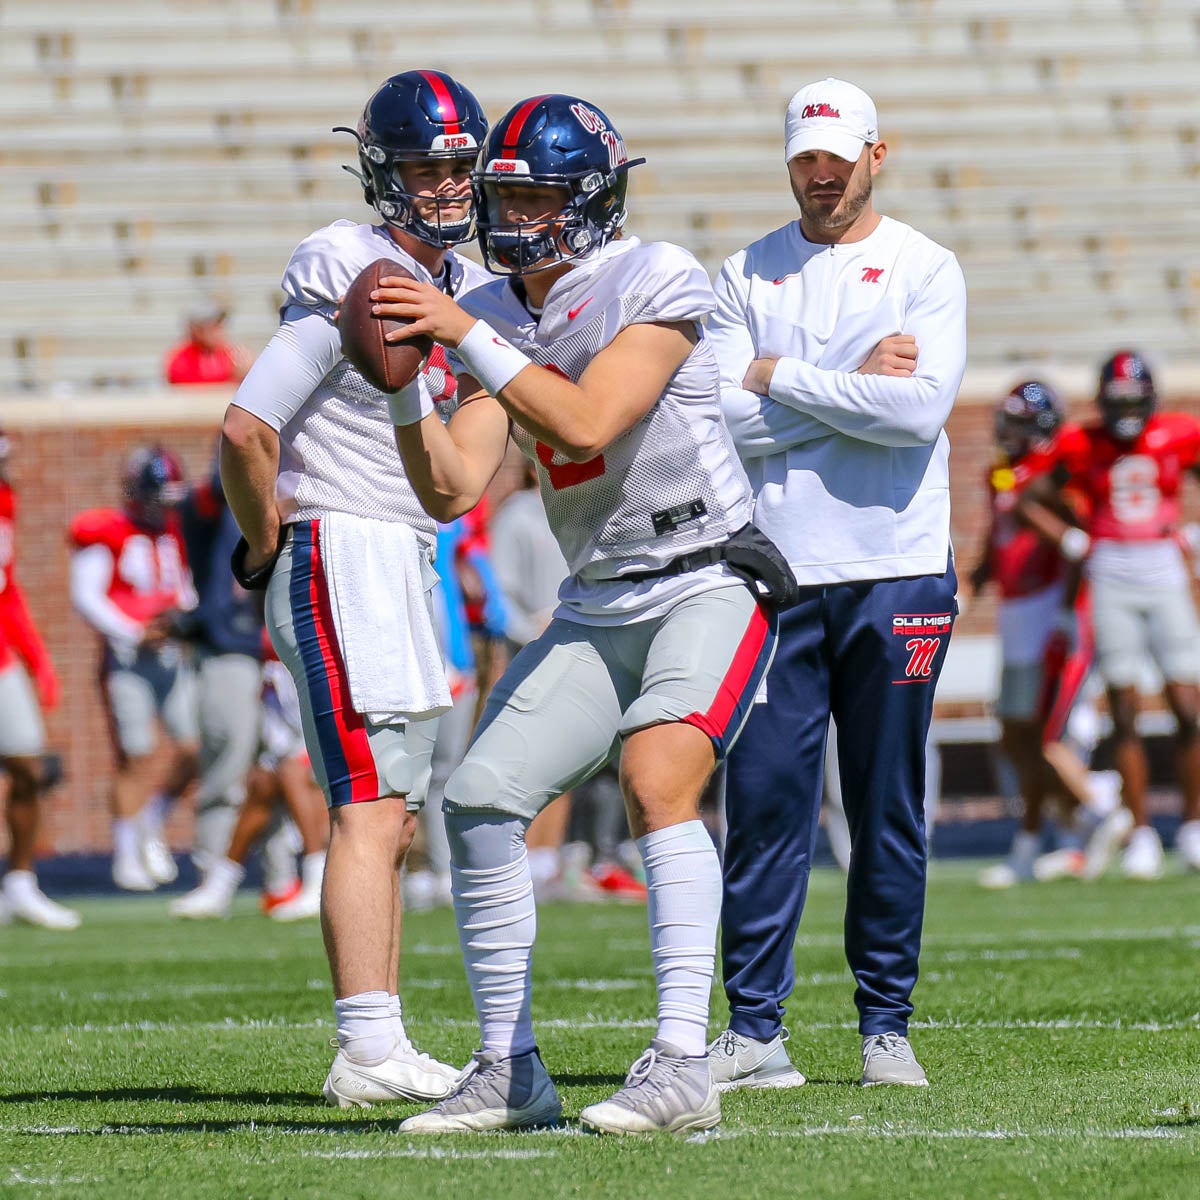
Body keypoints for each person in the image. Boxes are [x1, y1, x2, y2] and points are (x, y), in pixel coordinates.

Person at [372, 92, 785, 1136]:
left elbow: (592, 414)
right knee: (478, 800)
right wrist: (402, 392)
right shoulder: (500, 311)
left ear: (595, 201)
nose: (516, 215)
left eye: (542, 196)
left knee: (657, 776)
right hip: (601, 598)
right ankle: (510, 1070)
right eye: (507, 194)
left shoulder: (655, 276)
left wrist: (463, 330)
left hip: (706, 575)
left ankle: (684, 1061)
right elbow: (458, 484)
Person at [218, 69, 490, 1108]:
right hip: (341, 550)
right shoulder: (353, 266)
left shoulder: (456, 278)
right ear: (383, 173)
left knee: (395, 812)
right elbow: (248, 426)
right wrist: (263, 537)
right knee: (369, 807)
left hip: (400, 553)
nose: (445, 186)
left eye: (458, 165)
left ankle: (384, 1034)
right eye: (425, 167)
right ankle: (367, 1047)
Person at [705, 77, 966, 1091]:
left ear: (874, 154)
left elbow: (916, 417)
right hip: (776, 572)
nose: (820, 180)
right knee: (765, 798)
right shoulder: (744, 273)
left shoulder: (924, 267)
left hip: (898, 565)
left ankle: (884, 1026)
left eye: (836, 161)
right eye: (804, 164)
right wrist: (857, 371)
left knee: (884, 802)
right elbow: (722, 422)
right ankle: (756, 1031)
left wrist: (780, 374)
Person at [1015, 351, 1200, 879]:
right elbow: (1031, 497)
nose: (1126, 412)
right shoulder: (1081, 441)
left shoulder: (1178, 434)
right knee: (1123, 708)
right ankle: (1141, 833)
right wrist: (1073, 539)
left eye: (1133, 400)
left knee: (1187, 705)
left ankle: (1191, 827)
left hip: (1162, 565)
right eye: (1116, 401)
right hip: (1112, 566)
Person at [968, 381, 1132, 887]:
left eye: (1019, 423)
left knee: (1046, 735)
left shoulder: (1056, 475)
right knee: (1013, 737)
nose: (1008, 433)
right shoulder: (1002, 475)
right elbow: (995, 547)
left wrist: (1067, 608)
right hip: (1016, 615)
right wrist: (967, 592)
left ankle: (1090, 808)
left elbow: (1080, 543)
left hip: (1051, 615)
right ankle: (1056, 828)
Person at [68, 445, 200, 893]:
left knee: (193, 747)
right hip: (127, 658)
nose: (164, 505)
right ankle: (126, 854)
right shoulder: (110, 532)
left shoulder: (174, 531)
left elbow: (182, 583)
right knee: (134, 756)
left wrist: (184, 618)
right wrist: (132, 631)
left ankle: (152, 821)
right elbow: (87, 596)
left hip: (169, 655)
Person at [170, 654, 328, 920]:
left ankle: (318, 880)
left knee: (290, 771)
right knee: (263, 782)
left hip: (326, 752)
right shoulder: (274, 672)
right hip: (294, 748)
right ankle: (220, 886)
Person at [0, 428, 78, 930]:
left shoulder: (6, 503)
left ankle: (21, 886)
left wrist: (37, 658)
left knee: (28, 764)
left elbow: (9, 591)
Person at [164, 300, 254, 386]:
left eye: (220, 324)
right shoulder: (181, 358)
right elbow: (188, 386)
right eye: (213, 326)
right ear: (196, 329)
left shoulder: (230, 353)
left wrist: (246, 374)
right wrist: (233, 377)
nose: (219, 330)